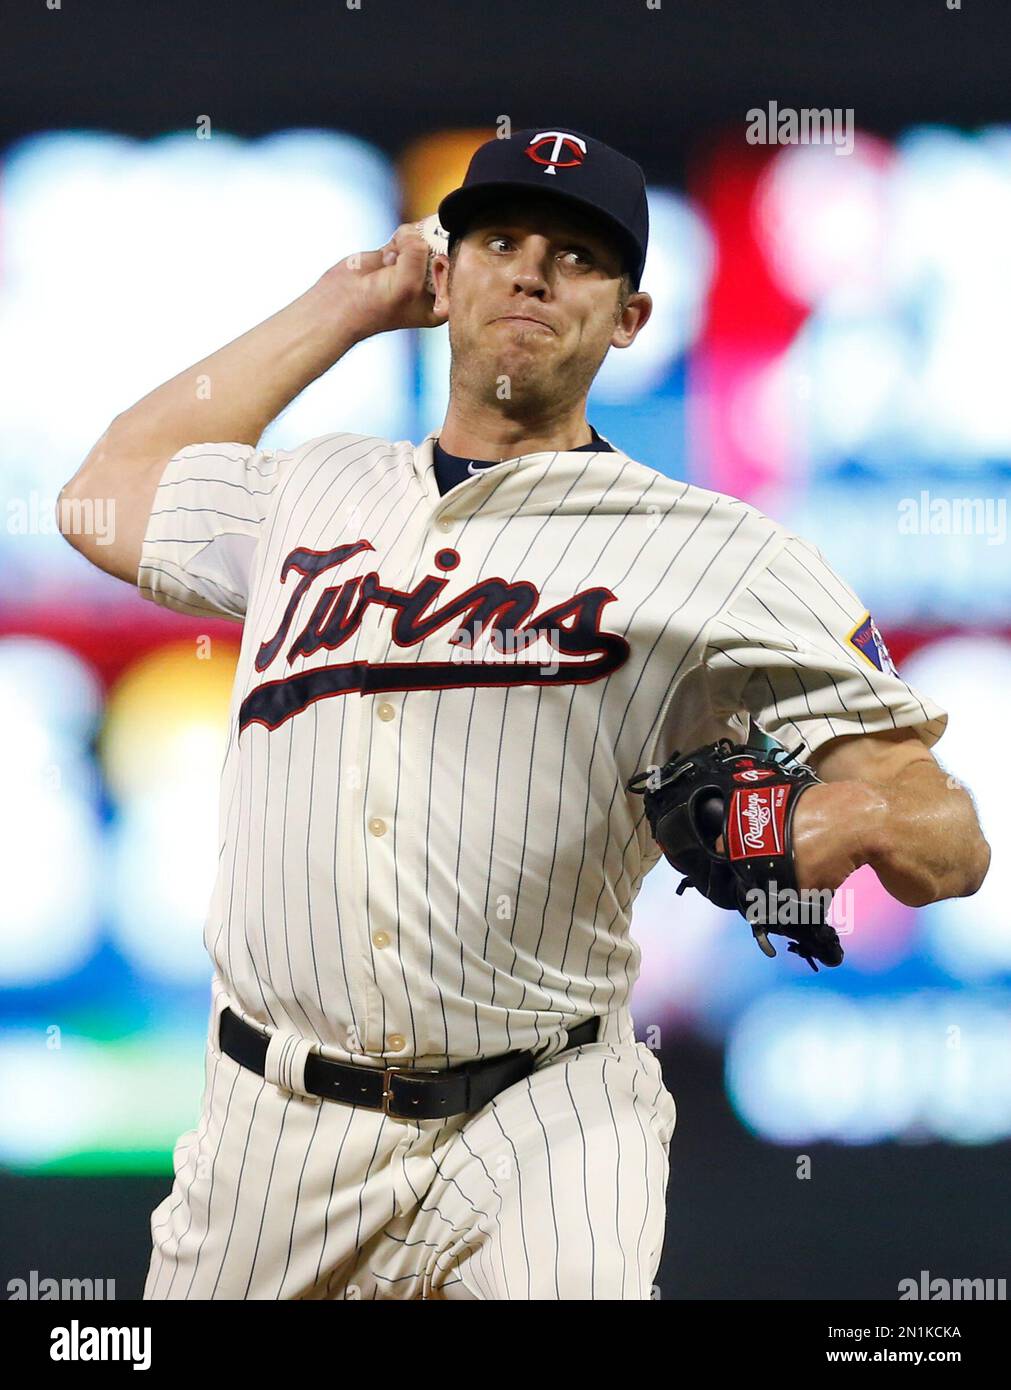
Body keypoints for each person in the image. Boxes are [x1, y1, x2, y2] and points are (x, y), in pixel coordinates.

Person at [58, 126, 989, 1300]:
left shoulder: (718, 553)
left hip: (544, 1112)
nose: (533, 271)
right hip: (273, 1123)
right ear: (443, 276)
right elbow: (100, 495)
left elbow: (948, 838)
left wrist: (835, 820)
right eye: (498, 239)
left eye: (577, 255)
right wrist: (343, 304)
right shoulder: (307, 494)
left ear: (630, 319)